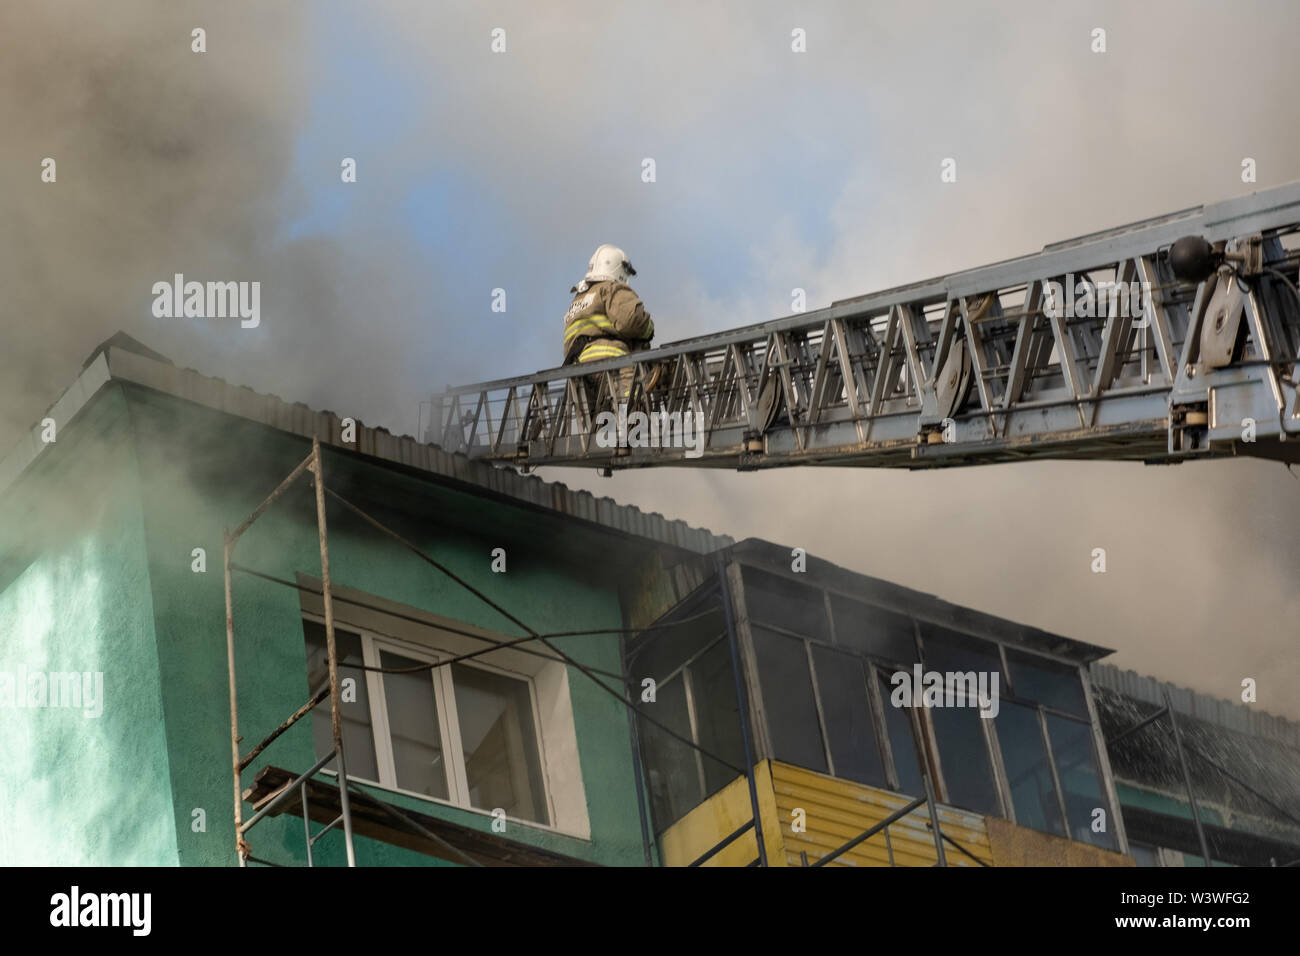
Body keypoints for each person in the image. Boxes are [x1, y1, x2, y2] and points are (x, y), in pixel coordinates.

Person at [562, 245, 654, 409]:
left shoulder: (578, 300)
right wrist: (648, 330)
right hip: (613, 366)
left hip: (581, 373)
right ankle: (635, 425)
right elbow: (632, 319)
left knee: (600, 422)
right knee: (634, 407)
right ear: (621, 270)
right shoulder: (610, 288)